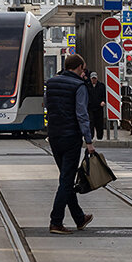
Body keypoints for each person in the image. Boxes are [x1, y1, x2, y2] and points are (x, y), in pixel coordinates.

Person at [43, 53, 95, 235]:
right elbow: (82, 114)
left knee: (66, 177)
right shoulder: (79, 86)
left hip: (54, 136)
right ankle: (56, 221)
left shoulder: (51, 83)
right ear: (80, 68)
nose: (85, 72)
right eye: (84, 68)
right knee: (66, 180)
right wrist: (88, 141)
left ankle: (79, 218)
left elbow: (47, 105)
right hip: (71, 137)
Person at [86, 71, 106, 141]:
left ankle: (100, 137)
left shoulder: (101, 86)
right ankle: (91, 136)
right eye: (92, 78)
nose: (94, 80)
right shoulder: (87, 86)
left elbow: (104, 95)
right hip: (90, 107)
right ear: (90, 79)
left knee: (99, 123)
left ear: (97, 78)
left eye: (95, 78)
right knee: (91, 122)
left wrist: (103, 101)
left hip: (99, 107)